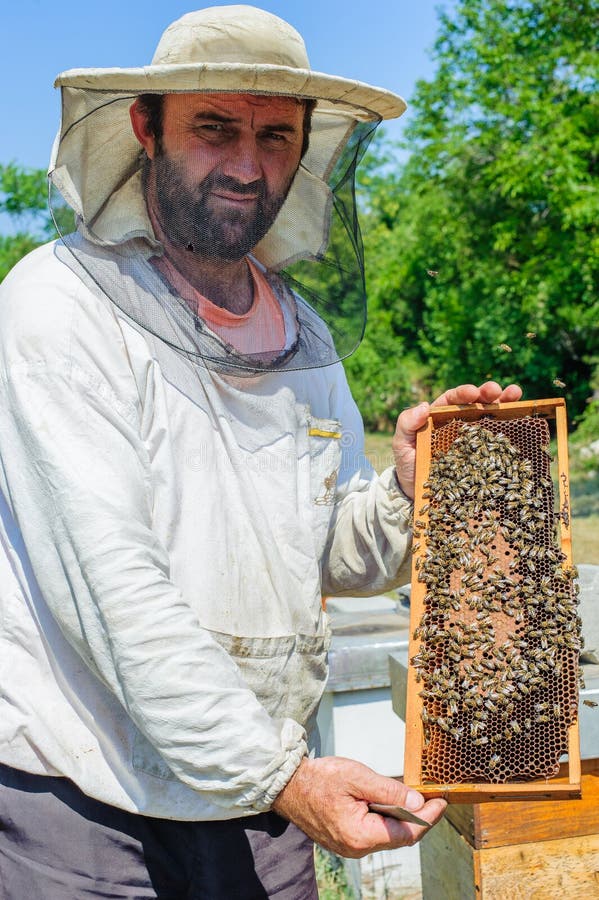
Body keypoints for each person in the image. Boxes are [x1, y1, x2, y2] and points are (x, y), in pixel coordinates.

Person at [0, 6, 522, 898]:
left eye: (275, 136)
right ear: (145, 129)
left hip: (258, 803)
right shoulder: (58, 308)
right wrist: (283, 776)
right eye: (214, 128)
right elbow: (113, 589)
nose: (247, 164)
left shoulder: (300, 332)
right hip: (90, 804)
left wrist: (402, 494)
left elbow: (321, 555)